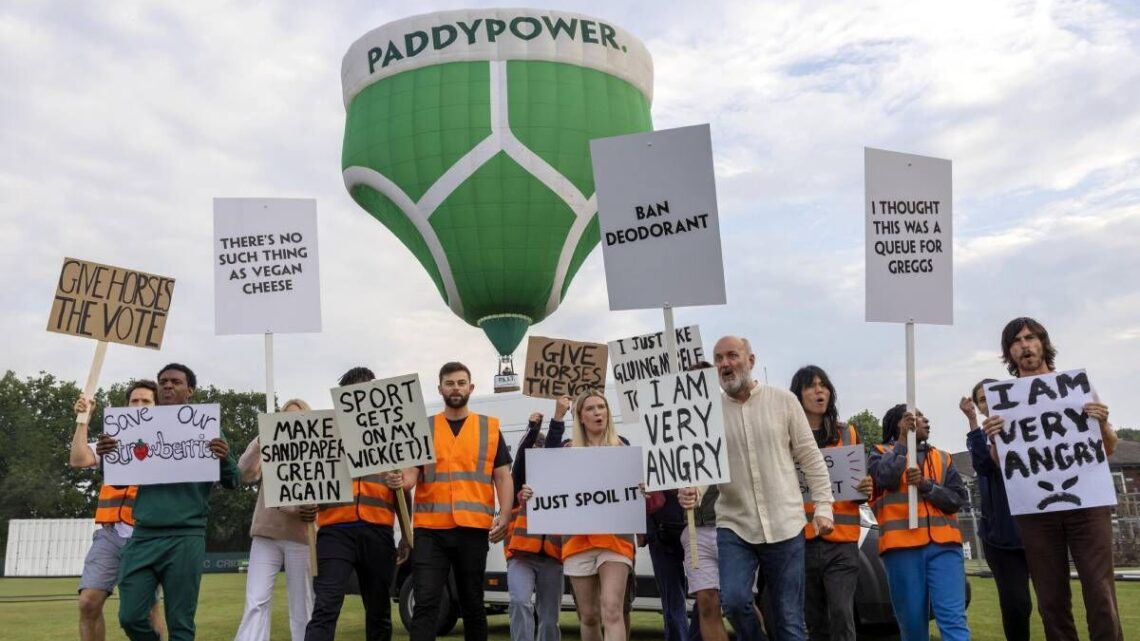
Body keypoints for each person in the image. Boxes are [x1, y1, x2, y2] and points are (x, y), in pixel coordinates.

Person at [680, 336, 833, 641]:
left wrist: (824, 507)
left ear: (750, 361)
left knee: (790, 619)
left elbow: (810, 457)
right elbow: (707, 464)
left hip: (785, 525)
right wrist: (694, 490)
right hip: (735, 525)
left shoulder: (783, 401)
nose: (725, 363)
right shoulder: (708, 411)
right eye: (719, 358)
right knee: (734, 602)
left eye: (732, 356)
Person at [981, 317, 1121, 641]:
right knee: (1050, 599)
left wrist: (1103, 424)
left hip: (1087, 503)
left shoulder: (1076, 389)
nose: (1025, 345)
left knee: (1100, 593)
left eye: (1030, 338)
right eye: (1016, 342)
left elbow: (1108, 448)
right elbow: (1005, 464)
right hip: (1036, 509)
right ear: (1009, 353)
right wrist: (994, 439)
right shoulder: (1005, 404)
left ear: (1043, 343)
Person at [111, 363, 241, 641]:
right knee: (130, 616)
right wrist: (110, 454)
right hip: (144, 535)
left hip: (185, 536)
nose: (167, 386)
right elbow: (118, 481)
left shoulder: (206, 427)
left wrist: (225, 456)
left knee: (180, 624)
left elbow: (233, 481)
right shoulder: (139, 426)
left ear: (190, 391)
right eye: (163, 381)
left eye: (175, 382)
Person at [395, 361, 513, 641]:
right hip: (430, 531)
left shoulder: (489, 428)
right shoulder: (424, 427)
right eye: (450, 383)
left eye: (461, 383)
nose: (456, 388)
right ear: (440, 389)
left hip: (472, 530)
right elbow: (411, 477)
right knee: (426, 603)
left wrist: (505, 516)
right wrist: (400, 481)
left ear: (470, 388)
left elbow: (503, 478)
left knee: (472, 602)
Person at [521, 390, 636, 641]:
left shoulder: (622, 447)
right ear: (581, 417)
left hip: (616, 540)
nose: (598, 413)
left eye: (602, 407)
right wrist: (533, 490)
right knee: (589, 615)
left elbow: (636, 489)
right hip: (577, 541)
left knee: (612, 611)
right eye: (591, 409)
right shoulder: (567, 449)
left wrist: (641, 488)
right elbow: (545, 469)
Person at [305, 368, 403, 641]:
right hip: (335, 531)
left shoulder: (392, 433)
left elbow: (403, 488)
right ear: (343, 398)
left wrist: (407, 533)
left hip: (378, 530)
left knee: (379, 611)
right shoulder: (324, 434)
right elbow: (309, 483)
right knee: (325, 606)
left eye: (368, 390)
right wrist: (308, 504)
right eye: (355, 392)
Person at [69, 381, 166, 641]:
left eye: (146, 401)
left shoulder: (168, 441)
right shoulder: (111, 441)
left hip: (146, 535)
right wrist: (83, 420)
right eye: (134, 401)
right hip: (110, 534)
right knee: (88, 602)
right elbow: (78, 459)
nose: (139, 406)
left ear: (158, 407)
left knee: (147, 609)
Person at [869, 405, 969, 641]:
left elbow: (957, 500)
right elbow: (886, 478)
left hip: (945, 547)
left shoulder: (943, 458)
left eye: (924, 416)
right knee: (912, 623)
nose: (925, 421)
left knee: (953, 618)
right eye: (917, 417)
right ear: (899, 424)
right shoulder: (879, 453)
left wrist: (927, 486)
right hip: (902, 548)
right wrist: (903, 443)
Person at [790, 366, 872, 641]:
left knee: (841, 614)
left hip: (842, 542)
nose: (819, 391)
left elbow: (859, 490)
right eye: (811, 386)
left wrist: (865, 488)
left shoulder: (847, 433)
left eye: (823, 385)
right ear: (798, 395)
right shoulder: (787, 437)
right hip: (802, 540)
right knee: (814, 621)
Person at [233, 398, 314, 641]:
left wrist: (312, 509)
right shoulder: (268, 445)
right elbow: (244, 473)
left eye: (297, 417)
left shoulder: (316, 450)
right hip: (267, 534)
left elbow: (327, 492)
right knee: (255, 601)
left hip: (302, 536)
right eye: (285, 416)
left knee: (302, 606)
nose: (290, 421)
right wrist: (259, 441)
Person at [961, 379, 1031, 641]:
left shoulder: (1028, 426)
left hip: (1040, 532)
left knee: (1054, 601)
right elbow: (982, 464)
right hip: (1002, 536)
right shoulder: (981, 438)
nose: (987, 402)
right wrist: (973, 424)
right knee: (1016, 604)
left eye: (992, 395)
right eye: (981, 399)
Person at [503, 396, 570, 641]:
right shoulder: (516, 485)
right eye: (534, 454)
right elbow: (520, 459)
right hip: (521, 556)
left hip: (552, 557)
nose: (538, 459)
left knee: (550, 617)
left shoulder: (560, 484)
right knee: (520, 602)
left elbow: (552, 452)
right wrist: (533, 431)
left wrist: (556, 422)